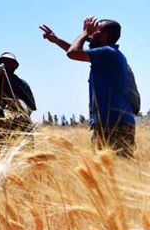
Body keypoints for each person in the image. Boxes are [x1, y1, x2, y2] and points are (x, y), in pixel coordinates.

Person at [40, 17, 136, 157]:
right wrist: (56, 40)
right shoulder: (109, 54)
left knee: (112, 171)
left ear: (104, 35)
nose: (91, 35)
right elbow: (75, 51)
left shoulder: (108, 52)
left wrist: (85, 33)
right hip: (115, 122)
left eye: (95, 30)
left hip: (112, 122)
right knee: (114, 170)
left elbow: (72, 53)